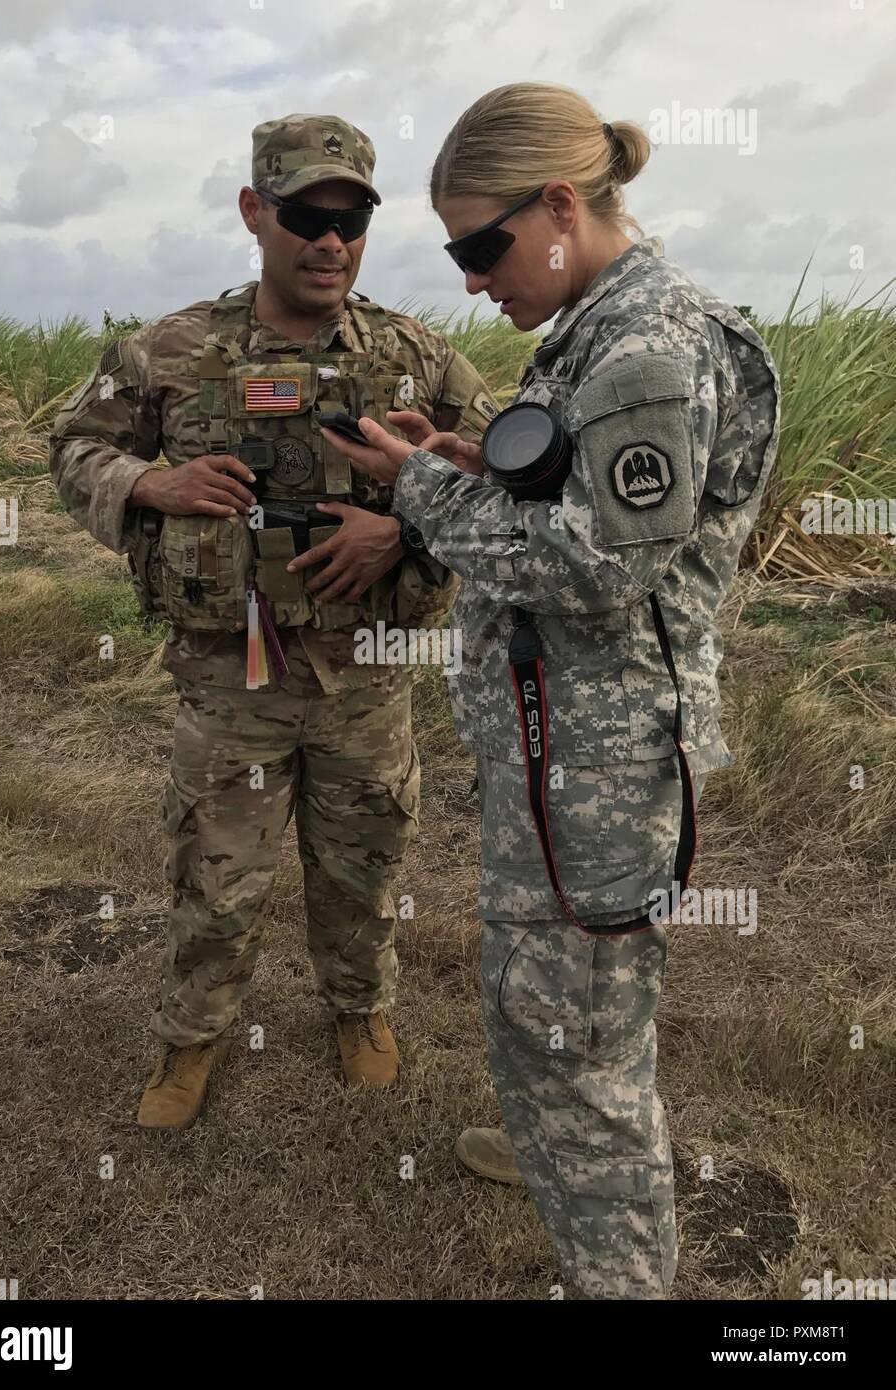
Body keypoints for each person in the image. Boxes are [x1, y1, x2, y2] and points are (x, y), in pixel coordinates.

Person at [318, 82, 780, 1299]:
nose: (474, 280)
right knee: (548, 1009)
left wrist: (422, 488)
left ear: (562, 205)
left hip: (601, 764)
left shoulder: (647, 346)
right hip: (558, 746)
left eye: (485, 245)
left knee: (580, 1038)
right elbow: (584, 508)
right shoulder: (597, 332)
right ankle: (551, 1147)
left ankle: (612, 1246)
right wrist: (477, 464)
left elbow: (589, 566)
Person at [49, 114, 498, 1130]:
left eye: (352, 219)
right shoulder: (167, 351)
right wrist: (152, 481)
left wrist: (403, 536)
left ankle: (359, 1013)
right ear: (257, 213)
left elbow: (501, 482)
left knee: (365, 863)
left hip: (366, 674)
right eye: (307, 215)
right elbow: (74, 450)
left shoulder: (415, 357)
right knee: (216, 871)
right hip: (228, 677)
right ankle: (194, 1037)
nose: (330, 240)